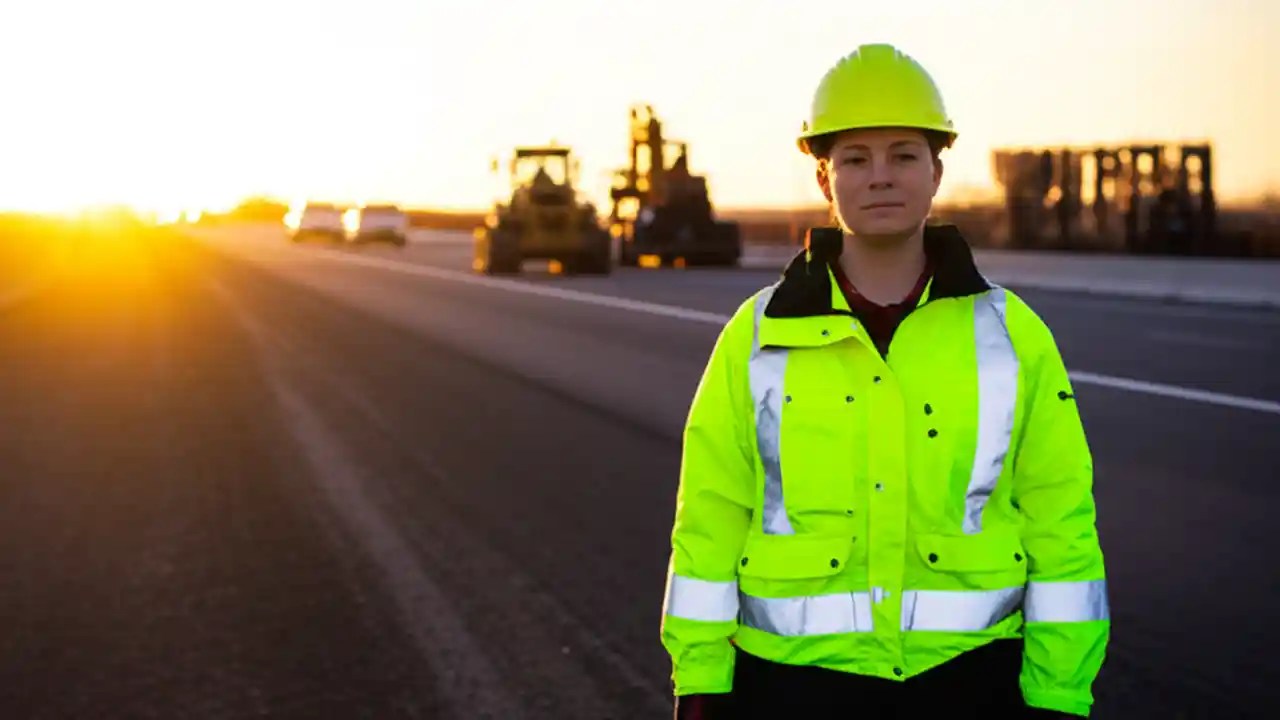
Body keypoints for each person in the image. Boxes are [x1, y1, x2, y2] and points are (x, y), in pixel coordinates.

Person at [660, 43, 1109, 719]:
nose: (881, 177)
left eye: (903, 154)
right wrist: (699, 683)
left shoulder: (1014, 337)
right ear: (823, 179)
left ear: (935, 172)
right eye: (855, 159)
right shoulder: (753, 339)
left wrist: (1059, 692)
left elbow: (1060, 525)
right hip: (791, 689)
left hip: (970, 684)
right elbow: (711, 518)